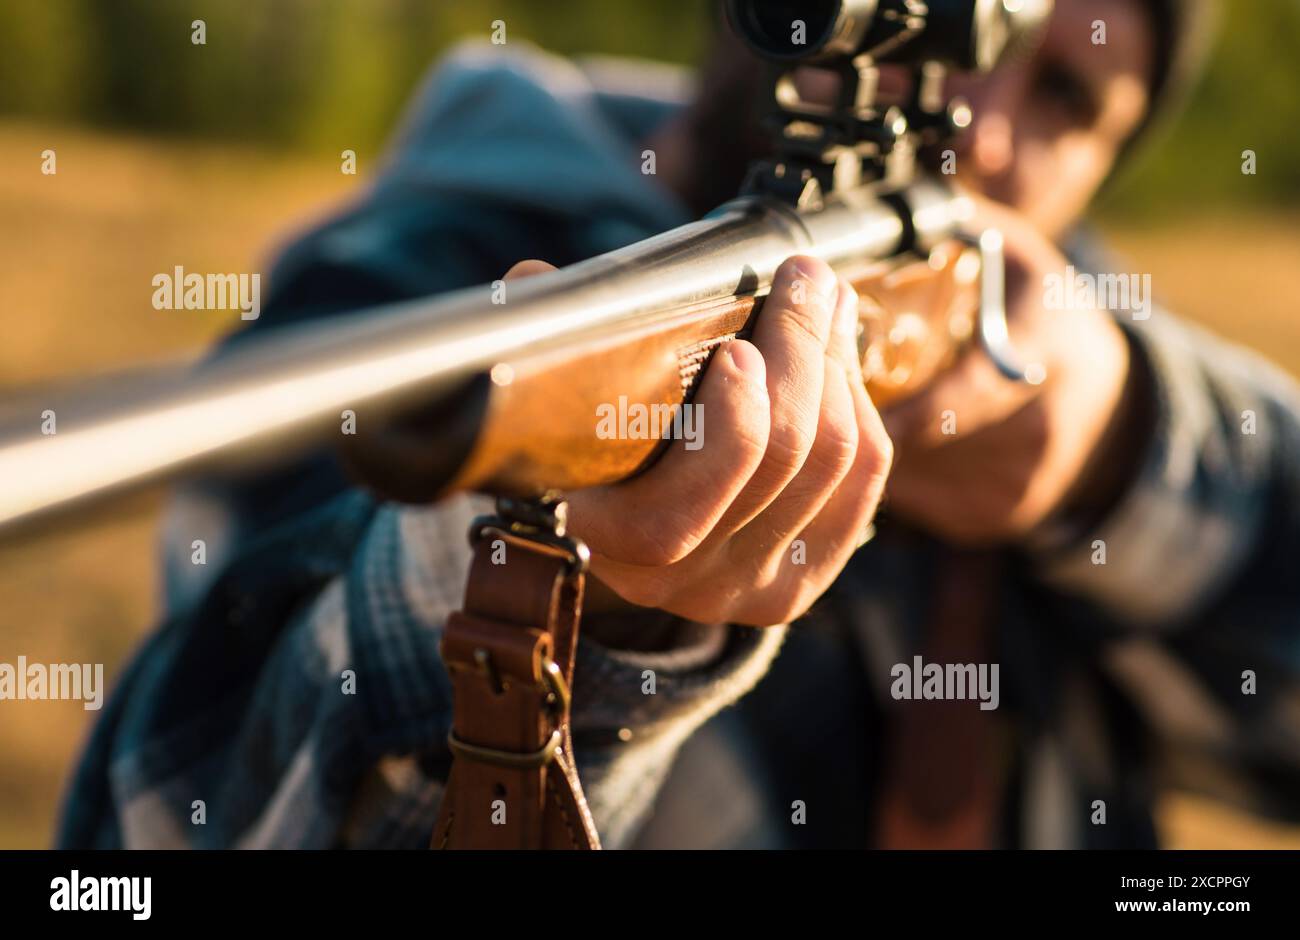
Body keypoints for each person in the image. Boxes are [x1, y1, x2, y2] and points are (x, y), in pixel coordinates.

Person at [58, 0, 1300, 849]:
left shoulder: (1075, 341)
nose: (974, 118)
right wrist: (555, 602)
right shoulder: (410, 282)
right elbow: (161, 821)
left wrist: (1116, 458)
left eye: (1067, 94)